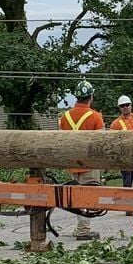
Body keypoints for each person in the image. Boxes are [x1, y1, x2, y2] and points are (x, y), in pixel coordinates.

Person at [58, 79, 105, 240]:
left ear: (76, 98)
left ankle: (81, 227)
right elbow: (102, 143)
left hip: (72, 163)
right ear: (90, 97)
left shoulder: (65, 117)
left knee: (76, 196)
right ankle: (83, 230)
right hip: (89, 164)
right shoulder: (95, 117)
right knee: (88, 197)